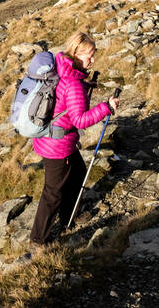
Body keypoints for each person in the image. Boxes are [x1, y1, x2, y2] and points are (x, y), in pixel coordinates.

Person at [28, 31, 119, 249]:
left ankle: (70, 214)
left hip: (53, 138)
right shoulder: (74, 84)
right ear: (77, 54)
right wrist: (106, 107)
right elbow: (80, 120)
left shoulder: (62, 68)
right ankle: (39, 240)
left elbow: (65, 99)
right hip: (58, 146)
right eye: (89, 55)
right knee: (52, 192)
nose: (93, 59)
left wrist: (85, 87)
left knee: (78, 171)